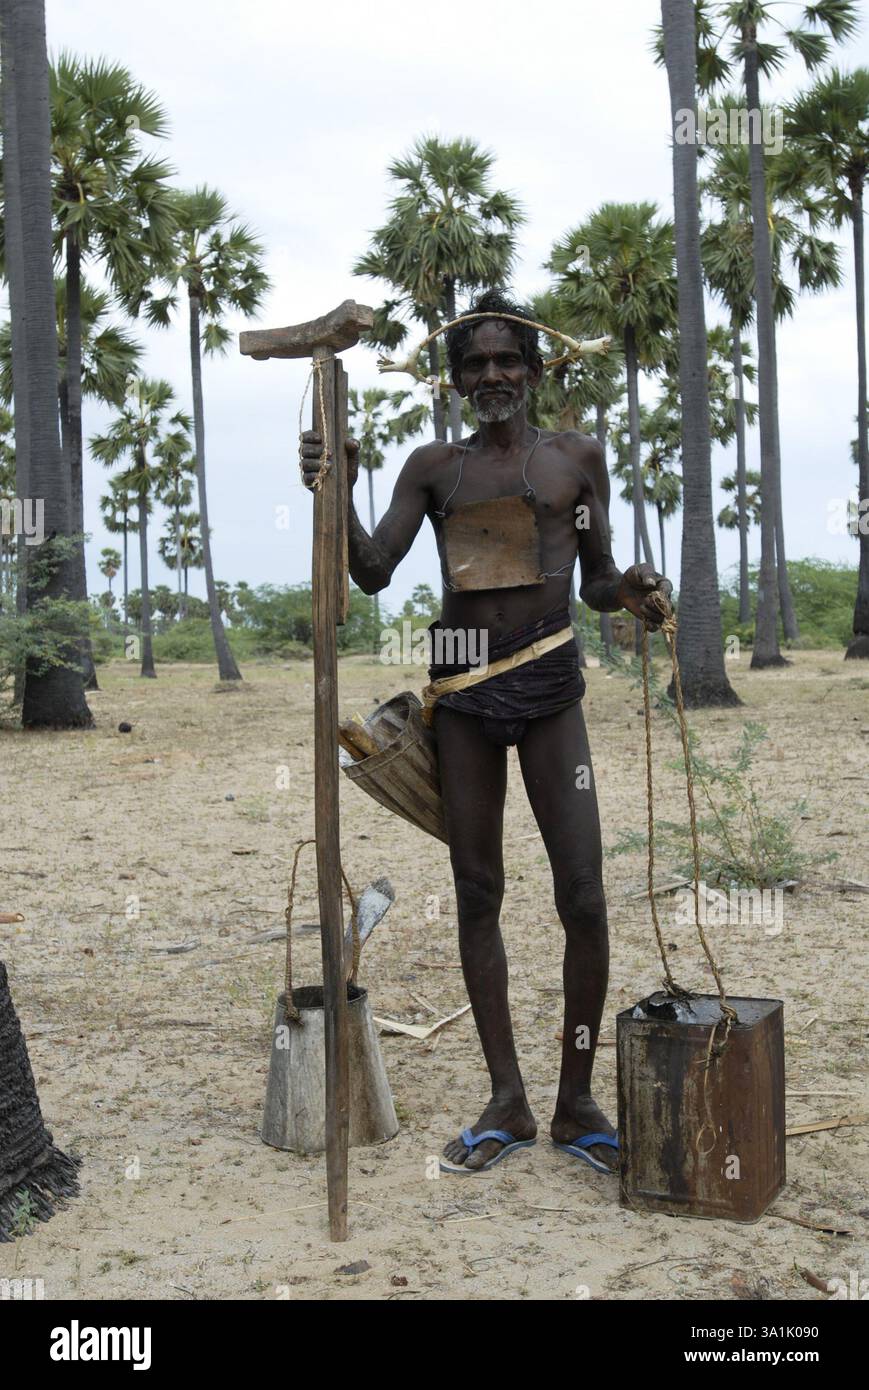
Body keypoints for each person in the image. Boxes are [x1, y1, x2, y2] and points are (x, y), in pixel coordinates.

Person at [300, 288, 671, 1174]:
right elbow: (375, 571)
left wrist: (631, 590)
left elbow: (592, 579)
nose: (493, 374)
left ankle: (576, 1100)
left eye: (508, 360)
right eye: (475, 364)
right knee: (478, 893)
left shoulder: (575, 459)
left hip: (549, 688)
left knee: (582, 893)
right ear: (456, 381)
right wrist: (338, 488)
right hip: (461, 693)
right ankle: (505, 1097)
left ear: (535, 371)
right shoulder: (433, 468)